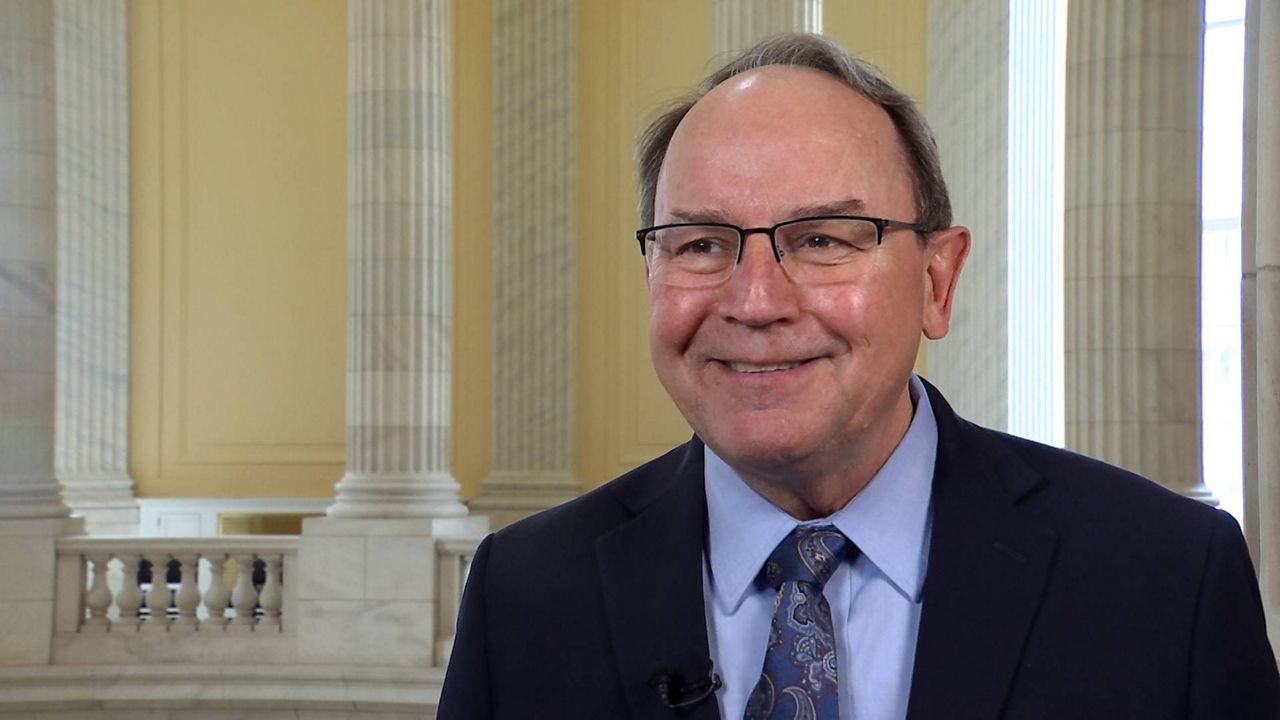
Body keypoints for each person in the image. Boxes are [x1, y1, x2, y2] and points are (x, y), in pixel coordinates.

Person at [438, 33, 1279, 719]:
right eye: (699, 244)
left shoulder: (1165, 580)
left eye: (824, 239)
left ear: (938, 282)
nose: (755, 301)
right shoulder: (527, 593)